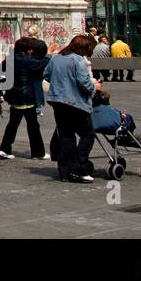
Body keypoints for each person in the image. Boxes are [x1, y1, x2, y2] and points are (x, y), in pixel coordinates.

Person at [45, 34, 99, 183]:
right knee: (87, 135)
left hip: (57, 100)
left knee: (66, 136)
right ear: (83, 48)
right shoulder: (78, 60)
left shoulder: (56, 58)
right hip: (75, 103)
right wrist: (96, 86)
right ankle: (79, 168)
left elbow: (47, 75)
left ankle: (65, 172)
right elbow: (84, 83)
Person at [0, 36, 48, 160]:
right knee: (33, 127)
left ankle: (4, 148)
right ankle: (38, 152)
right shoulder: (28, 60)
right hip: (27, 98)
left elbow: (2, 68)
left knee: (12, 125)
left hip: (15, 96)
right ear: (27, 49)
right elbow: (45, 61)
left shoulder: (10, 59)